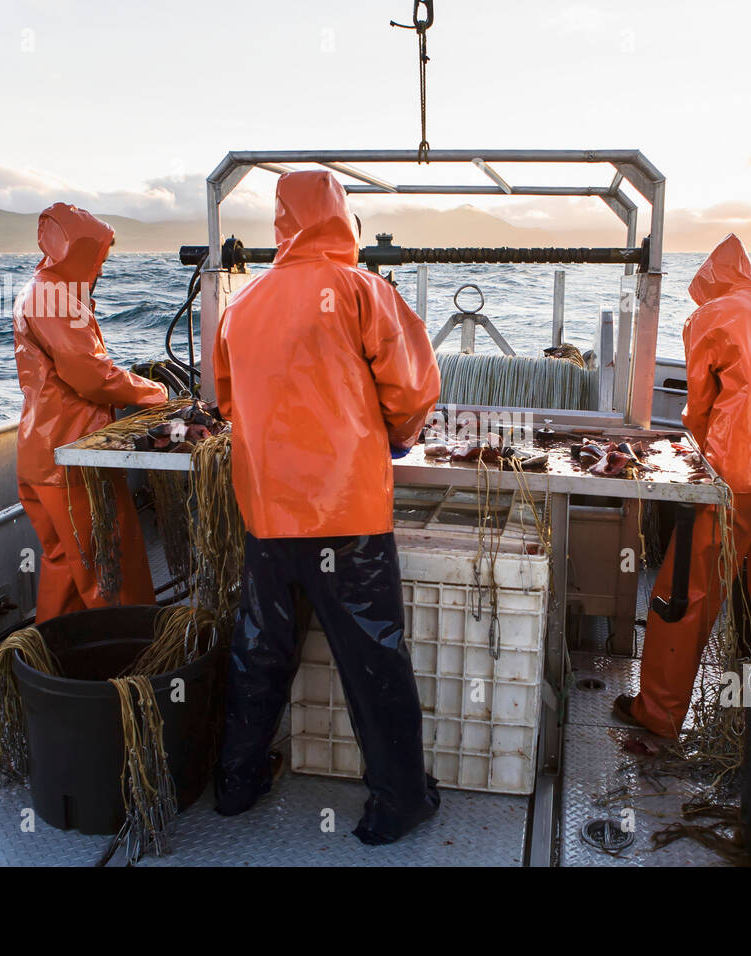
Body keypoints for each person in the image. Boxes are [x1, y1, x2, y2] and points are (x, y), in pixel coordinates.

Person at [212, 170, 442, 844]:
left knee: (258, 649)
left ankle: (235, 784)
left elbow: (226, 401)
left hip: (266, 513)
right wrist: (397, 438)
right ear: (344, 220)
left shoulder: (243, 304)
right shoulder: (363, 290)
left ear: (281, 224)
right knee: (374, 658)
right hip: (347, 517)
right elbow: (413, 389)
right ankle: (397, 803)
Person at [616, 233, 751, 738]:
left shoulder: (711, 316)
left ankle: (659, 715)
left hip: (734, 479)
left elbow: (700, 406)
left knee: (685, 595)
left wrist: (690, 452)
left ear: (709, 287)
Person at [13, 202, 167, 622]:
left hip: (40, 455)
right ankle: (127, 667)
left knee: (64, 567)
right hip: (73, 460)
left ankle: (59, 663)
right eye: (99, 257)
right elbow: (91, 376)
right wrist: (156, 392)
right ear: (81, 253)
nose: (101, 267)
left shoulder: (37, 288)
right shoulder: (53, 297)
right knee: (109, 570)